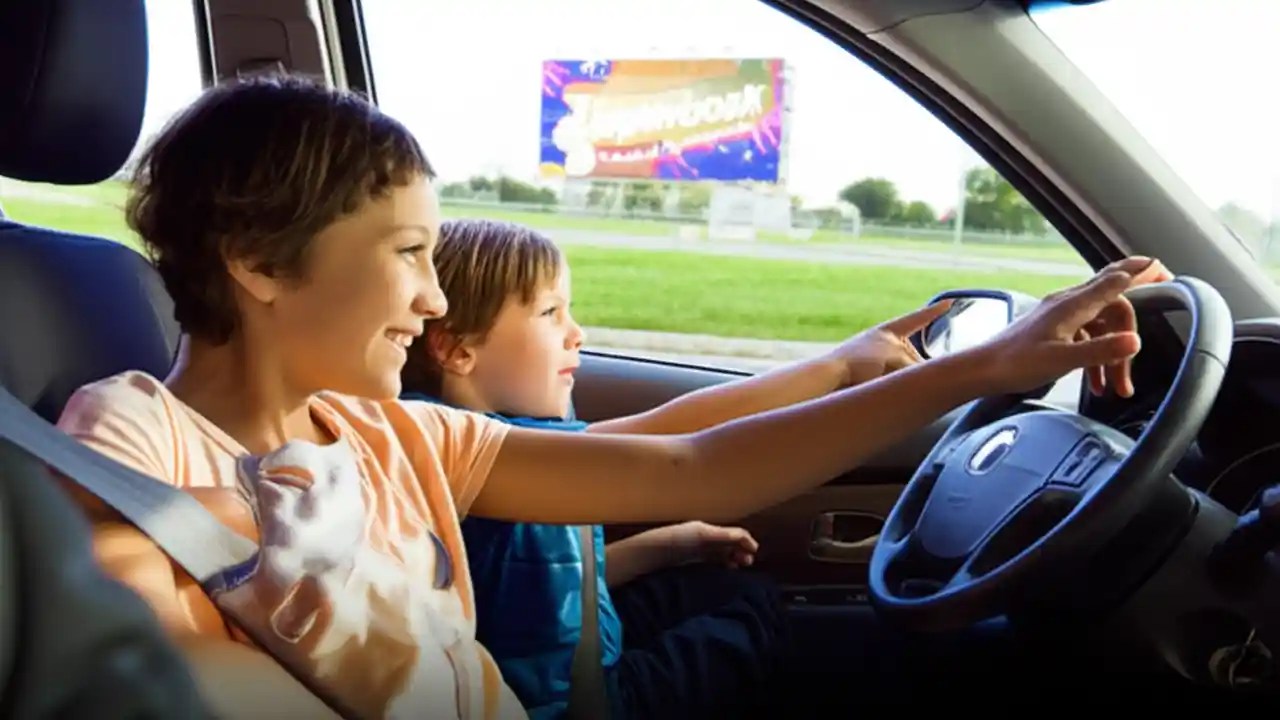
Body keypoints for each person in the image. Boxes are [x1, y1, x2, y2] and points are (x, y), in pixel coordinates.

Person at [53, 74, 1170, 720]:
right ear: (257, 261)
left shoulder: (394, 434)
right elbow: (151, 676)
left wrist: (979, 367)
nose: (432, 295)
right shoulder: (132, 435)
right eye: (405, 254)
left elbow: (688, 465)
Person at [403, 217, 930, 718]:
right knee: (756, 616)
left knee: (723, 587)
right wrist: (836, 368)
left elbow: (546, 584)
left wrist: (670, 546)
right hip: (579, 701)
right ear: (456, 349)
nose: (576, 333)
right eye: (550, 314)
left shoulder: (490, 435)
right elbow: (678, 438)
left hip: (568, 655)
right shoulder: (472, 454)